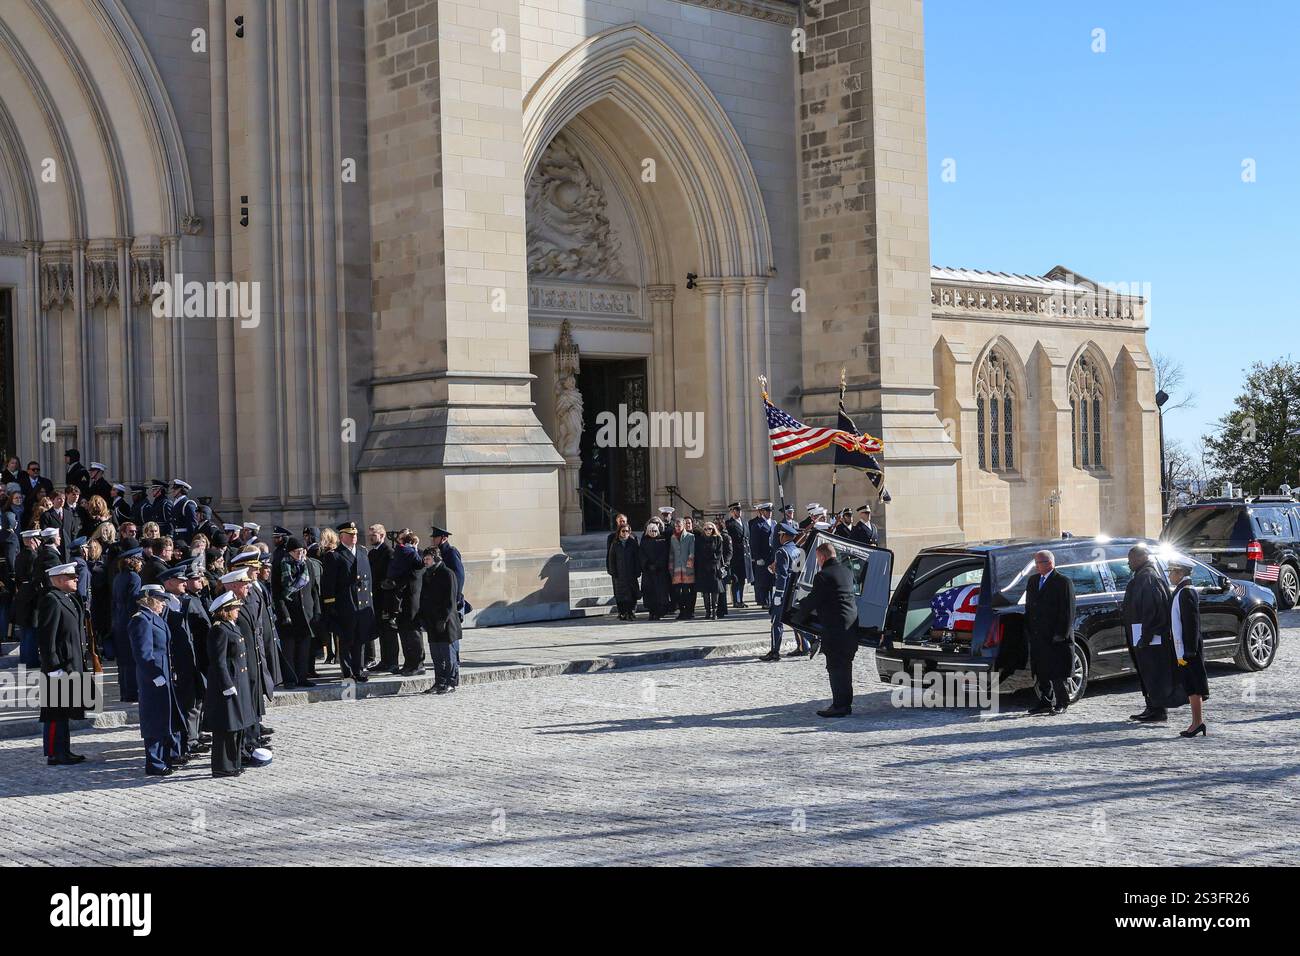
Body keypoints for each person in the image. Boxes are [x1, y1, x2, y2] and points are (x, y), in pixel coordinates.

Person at [791, 541, 858, 717]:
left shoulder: (823, 575)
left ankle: (839, 706)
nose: (818, 562)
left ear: (821, 557)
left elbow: (815, 599)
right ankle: (845, 703)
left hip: (835, 628)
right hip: (851, 626)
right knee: (845, 666)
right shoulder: (847, 571)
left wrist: (796, 615)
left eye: (818, 559)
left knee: (835, 667)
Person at [1121, 545, 1184, 723]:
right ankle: (1152, 706)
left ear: (1141, 557)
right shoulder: (1143, 576)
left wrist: (1146, 635)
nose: (1128, 562)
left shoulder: (1147, 577)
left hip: (1150, 637)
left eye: (1131, 558)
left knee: (1154, 671)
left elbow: (1153, 610)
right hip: (1144, 635)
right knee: (1148, 672)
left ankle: (1157, 709)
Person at [38, 562, 92, 766]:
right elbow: (46, 638)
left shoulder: (68, 598)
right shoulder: (51, 600)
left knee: (65, 710)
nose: (76, 579)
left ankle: (64, 750)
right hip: (58, 667)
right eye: (71, 577)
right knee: (55, 713)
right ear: (59, 580)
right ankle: (54, 752)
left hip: (70, 664)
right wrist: (53, 666)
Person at [129, 584, 183, 776]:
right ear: (149, 599)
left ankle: (165, 757)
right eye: (160, 600)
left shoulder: (154, 618)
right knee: (154, 718)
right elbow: (143, 654)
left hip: (164, 674)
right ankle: (154, 762)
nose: (163, 604)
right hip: (152, 678)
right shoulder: (141, 620)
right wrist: (155, 675)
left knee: (165, 717)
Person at [205, 590, 257, 778]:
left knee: (237, 726)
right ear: (226, 610)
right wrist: (227, 685)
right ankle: (222, 766)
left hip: (239, 682)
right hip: (227, 685)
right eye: (235, 608)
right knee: (226, 728)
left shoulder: (231, 626)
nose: (238, 610)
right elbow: (218, 661)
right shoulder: (219, 629)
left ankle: (234, 763)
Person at [320, 521, 374, 681]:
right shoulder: (334, 555)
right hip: (345, 604)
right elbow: (328, 584)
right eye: (351, 535)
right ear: (342, 536)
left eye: (355, 534)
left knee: (360, 639)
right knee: (346, 639)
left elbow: (369, 580)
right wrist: (331, 606)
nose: (354, 537)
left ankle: (359, 669)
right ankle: (348, 671)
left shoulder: (363, 553)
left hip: (362, 603)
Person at [1024, 549, 1076, 716]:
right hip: (1038, 634)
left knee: (1057, 671)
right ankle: (1045, 700)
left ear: (1049, 563)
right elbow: (1029, 606)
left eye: (1038, 563)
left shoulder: (1062, 582)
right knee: (1041, 670)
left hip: (1055, 635)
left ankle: (1062, 701)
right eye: (1036, 562)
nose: (1036, 566)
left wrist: (1061, 634)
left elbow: (1068, 611)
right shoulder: (1033, 581)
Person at [1167, 556, 1209, 738]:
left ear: (1180, 573)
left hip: (1188, 648)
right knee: (1191, 685)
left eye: (1172, 572)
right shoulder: (1181, 590)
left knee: (1194, 685)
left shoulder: (1186, 592)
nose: (1169, 575)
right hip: (1183, 647)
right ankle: (1196, 721)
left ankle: (1197, 722)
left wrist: (1189, 650)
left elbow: (1191, 623)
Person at [276, 537, 319, 687]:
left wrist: (316, 611)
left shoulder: (307, 564)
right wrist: (284, 613)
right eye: (297, 552)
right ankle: (289, 679)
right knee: (289, 648)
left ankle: (302, 676)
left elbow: (314, 589)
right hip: (289, 613)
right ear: (290, 552)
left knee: (304, 648)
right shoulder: (281, 564)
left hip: (306, 613)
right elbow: (277, 593)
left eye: (302, 551)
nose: (301, 554)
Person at [419, 545, 462, 694]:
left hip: (446, 622)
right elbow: (423, 598)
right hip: (431, 621)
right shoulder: (427, 574)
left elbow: (451, 600)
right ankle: (439, 681)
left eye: (428, 559)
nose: (425, 561)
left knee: (448, 655)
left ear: (436, 558)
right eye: (424, 559)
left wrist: (443, 619)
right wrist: (423, 617)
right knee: (436, 655)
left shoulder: (447, 573)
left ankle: (451, 682)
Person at [760, 521, 803, 662]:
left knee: (776, 621)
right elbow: (799, 572)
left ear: (784, 536)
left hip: (783, 591)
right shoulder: (799, 550)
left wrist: (778, 594)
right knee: (793, 620)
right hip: (795, 591)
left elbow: (783, 576)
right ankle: (807, 644)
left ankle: (774, 652)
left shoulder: (781, 551)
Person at [367, 523, 399, 673]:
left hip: (386, 598)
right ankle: (385, 660)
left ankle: (392, 661)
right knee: (382, 630)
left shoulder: (389, 552)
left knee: (389, 631)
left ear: (382, 535)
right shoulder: (372, 553)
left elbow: (389, 578)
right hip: (376, 599)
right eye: (370, 535)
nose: (371, 538)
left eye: (373, 535)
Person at [607, 524, 642, 620]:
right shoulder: (615, 544)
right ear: (619, 532)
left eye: (627, 531)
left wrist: (638, 570)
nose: (625, 533)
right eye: (623, 531)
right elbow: (611, 559)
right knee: (621, 595)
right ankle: (623, 612)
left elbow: (637, 558)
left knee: (632, 594)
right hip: (620, 573)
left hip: (631, 573)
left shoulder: (633, 543)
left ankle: (631, 612)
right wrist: (613, 572)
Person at [638, 521, 672, 620]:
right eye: (651, 531)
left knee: (660, 593)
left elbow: (665, 554)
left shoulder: (662, 541)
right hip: (648, 572)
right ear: (647, 531)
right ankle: (651, 612)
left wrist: (658, 565)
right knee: (649, 592)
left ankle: (658, 613)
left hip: (660, 571)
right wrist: (647, 564)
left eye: (655, 530)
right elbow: (641, 554)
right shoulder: (644, 541)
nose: (653, 532)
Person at [694, 522, 726, 620]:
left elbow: (719, 553)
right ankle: (707, 611)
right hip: (703, 568)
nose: (708, 530)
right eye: (706, 529)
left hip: (714, 568)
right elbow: (698, 553)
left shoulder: (718, 539)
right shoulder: (700, 540)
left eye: (710, 528)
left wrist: (713, 563)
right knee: (705, 591)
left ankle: (714, 612)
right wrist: (704, 563)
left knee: (715, 590)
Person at [723, 503, 752, 608]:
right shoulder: (729, 524)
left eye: (739, 510)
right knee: (735, 579)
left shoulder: (745, 523)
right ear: (732, 511)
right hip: (735, 556)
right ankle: (736, 600)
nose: (739, 512)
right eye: (736, 510)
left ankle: (741, 600)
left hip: (744, 555)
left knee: (742, 579)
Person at [668, 518, 696, 620]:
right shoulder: (673, 537)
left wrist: (689, 566)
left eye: (679, 526)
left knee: (686, 592)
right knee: (677, 592)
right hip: (676, 569)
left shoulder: (690, 537)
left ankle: (689, 611)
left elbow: (692, 553)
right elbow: (671, 553)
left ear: (683, 526)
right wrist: (670, 567)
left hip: (687, 569)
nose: (678, 528)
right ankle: (682, 611)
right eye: (676, 526)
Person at [748, 503, 775, 607]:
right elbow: (754, 543)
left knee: (770, 580)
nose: (770, 513)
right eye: (768, 511)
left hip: (771, 556)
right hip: (763, 556)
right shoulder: (757, 524)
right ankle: (764, 601)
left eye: (771, 511)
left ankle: (770, 600)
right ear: (763, 512)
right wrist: (757, 557)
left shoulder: (773, 523)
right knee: (763, 580)